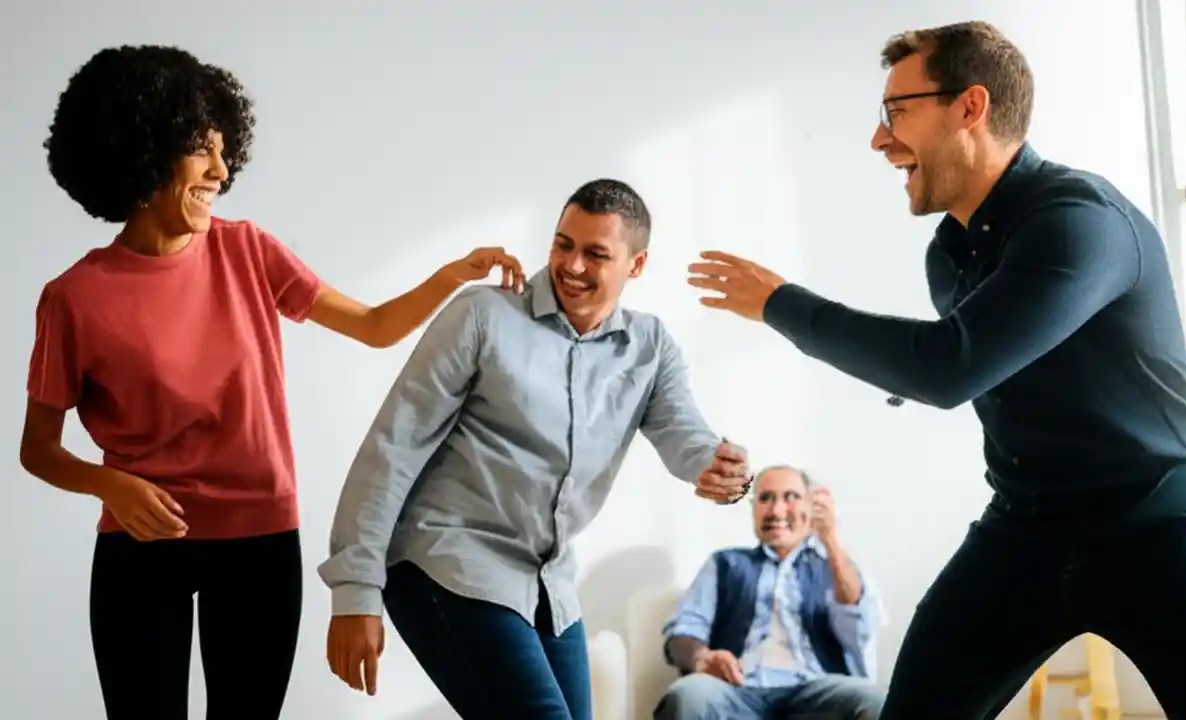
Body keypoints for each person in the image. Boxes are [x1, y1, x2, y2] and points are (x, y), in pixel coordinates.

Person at [686, 20, 1186, 719]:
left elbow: (949, 366)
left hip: (1156, 522)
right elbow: (963, 359)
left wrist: (778, 303)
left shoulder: (1081, 220)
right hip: (1023, 528)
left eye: (895, 112)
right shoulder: (949, 253)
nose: (879, 139)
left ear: (971, 106)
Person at [19, 44, 525, 720]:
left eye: (225, 152)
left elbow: (374, 326)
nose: (221, 171)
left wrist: (453, 274)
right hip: (140, 546)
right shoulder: (75, 297)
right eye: (201, 151)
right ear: (144, 151)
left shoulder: (248, 250)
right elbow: (38, 450)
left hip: (258, 541)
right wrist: (109, 483)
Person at [319, 178, 752, 719]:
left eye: (596, 254)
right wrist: (355, 590)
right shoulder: (483, 315)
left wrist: (720, 467)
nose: (572, 265)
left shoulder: (649, 347)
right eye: (562, 244)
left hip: (549, 585)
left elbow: (684, 434)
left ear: (636, 265)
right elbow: (393, 446)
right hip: (446, 562)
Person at [656, 465, 885, 720]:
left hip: (815, 691)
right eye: (765, 498)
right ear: (753, 509)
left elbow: (858, 630)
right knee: (688, 696)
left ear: (811, 507)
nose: (776, 511)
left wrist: (830, 541)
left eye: (791, 497)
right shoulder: (724, 563)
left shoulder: (835, 565)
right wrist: (702, 658)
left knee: (874, 701)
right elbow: (684, 629)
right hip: (736, 690)